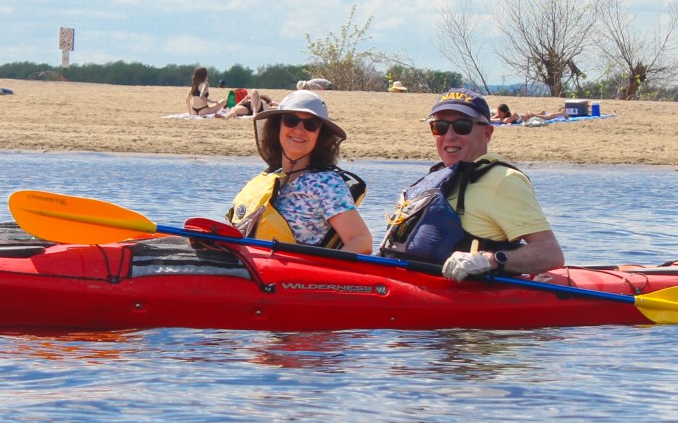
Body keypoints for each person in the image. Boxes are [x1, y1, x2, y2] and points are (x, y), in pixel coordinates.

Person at [380, 89, 566, 280]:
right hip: (402, 284)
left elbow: (550, 254)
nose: (449, 136)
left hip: (458, 298)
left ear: (487, 133)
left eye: (462, 126)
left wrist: (489, 260)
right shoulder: (437, 176)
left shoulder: (504, 180)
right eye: (440, 127)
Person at [225, 91, 372, 253]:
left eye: (311, 125)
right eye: (291, 121)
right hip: (246, 269)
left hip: (290, 277)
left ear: (320, 135)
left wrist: (317, 275)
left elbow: (362, 241)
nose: (299, 130)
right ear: (277, 126)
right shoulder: (269, 178)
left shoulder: (325, 184)